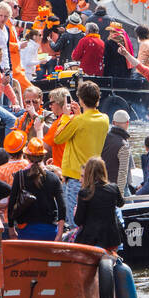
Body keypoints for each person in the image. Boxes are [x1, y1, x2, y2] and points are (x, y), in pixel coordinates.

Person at [52, 80, 110, 224]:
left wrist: (66, 116)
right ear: (98, 99)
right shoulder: (104, 119)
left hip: (76, 178)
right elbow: (87, 126)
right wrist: (78, 114)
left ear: (81, 100)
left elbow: (58, 138)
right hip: (94, 177)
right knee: (91, 219)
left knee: (74, 222)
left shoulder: (77, 121)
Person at [9, 138, 68, 240]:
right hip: (50, 229)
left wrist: (11, 228)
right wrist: (60, 233)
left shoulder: (20, 176)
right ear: (43, 156)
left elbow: (12, 203)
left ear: (26, 156)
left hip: (26, 229)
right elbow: (62, 206)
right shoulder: (54, 177)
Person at [72, 156, 124, 251]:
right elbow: (121, 203)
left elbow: (78, 221)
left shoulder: (84, 193)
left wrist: (75, 212)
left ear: (88, 172)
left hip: (91, 240)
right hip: (111, 238)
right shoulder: (113, 188)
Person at [102, 109, 133, 193]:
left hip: (104, 184)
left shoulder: (104, 137)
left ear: (113, 123)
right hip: (117, 187)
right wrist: (120, 194)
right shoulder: (124, 145)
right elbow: (123, 172)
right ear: (127, 123)